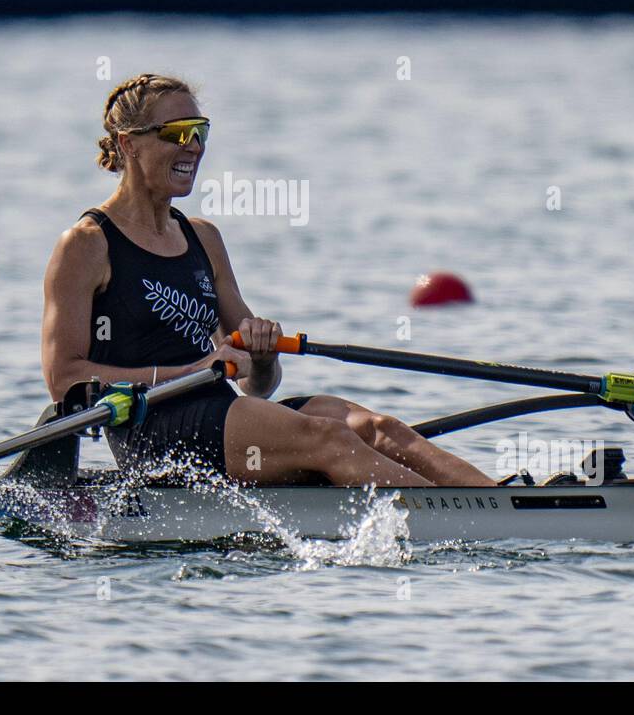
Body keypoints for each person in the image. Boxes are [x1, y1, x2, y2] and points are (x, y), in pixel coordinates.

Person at [41, 74, 494, 488]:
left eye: (200, 131)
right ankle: (461, 522)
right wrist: (189, 372)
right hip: (154, 431)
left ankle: (496, 501)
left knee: (378, 429)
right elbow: (64, 379)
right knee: (328, 439)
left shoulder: (203, 238)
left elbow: (258, 386)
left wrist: (260, 352)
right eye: (177, 134)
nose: (194, 146)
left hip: (223, 413)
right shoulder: (86, 245)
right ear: (129, 144)